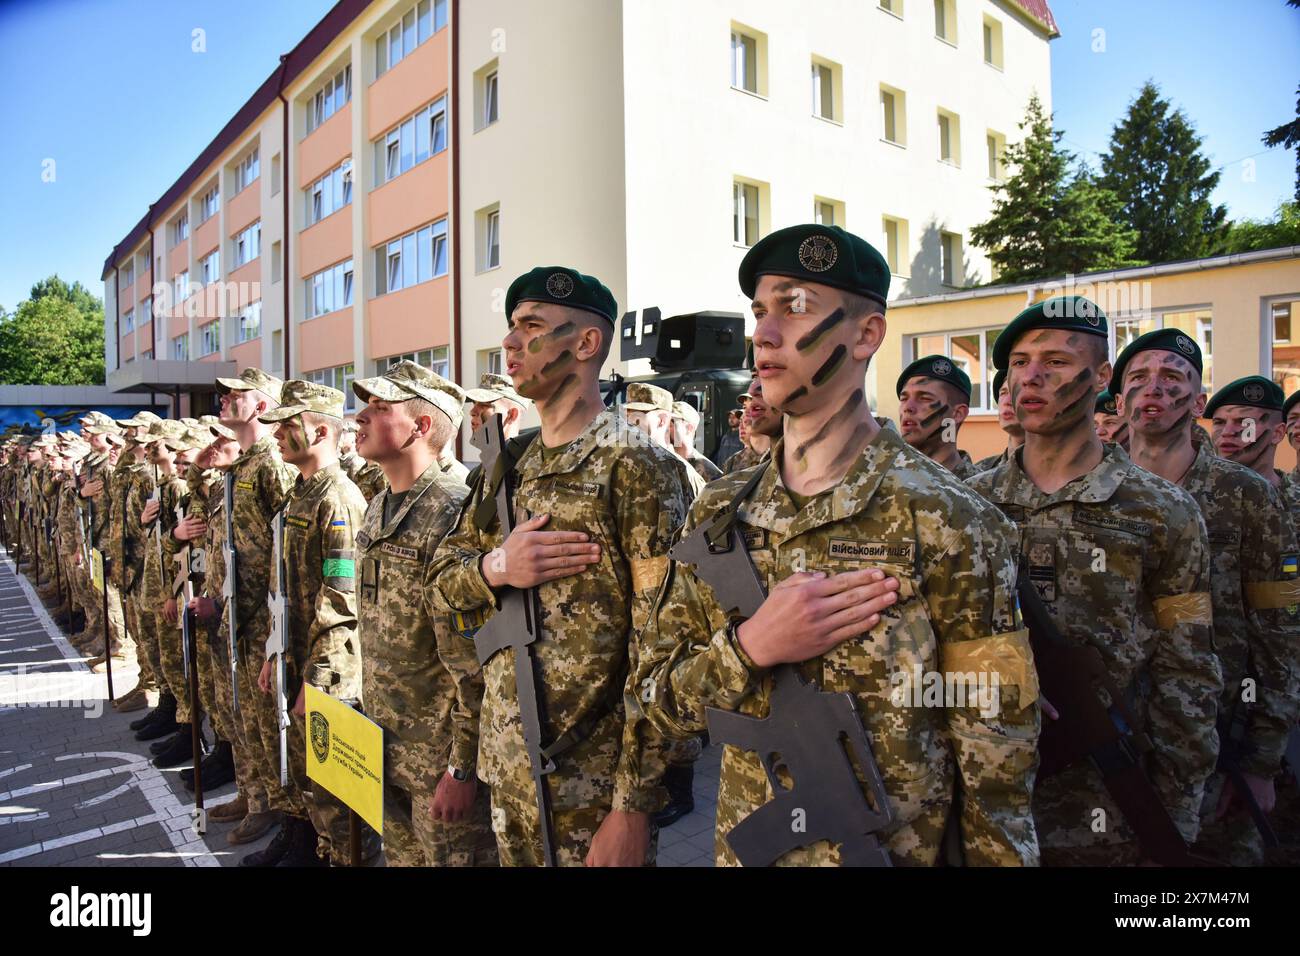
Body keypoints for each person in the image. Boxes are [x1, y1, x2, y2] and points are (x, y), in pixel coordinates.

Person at [638, 223, 1040, 866]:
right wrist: (751, 648)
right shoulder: (720, 512)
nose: (764, 334)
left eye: (795, 308)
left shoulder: (952, 519)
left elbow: (997, 753)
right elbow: (657, 701)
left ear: (866, 334)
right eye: (760, 312)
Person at [428, 266, 688, 866]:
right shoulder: (506, 468)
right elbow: (440, 581)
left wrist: (633, 804)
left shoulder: (637, 468)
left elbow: (665, 647)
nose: (512, 343)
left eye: (532, 327)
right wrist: (497, 566)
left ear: (585, 343)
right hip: (509, 763)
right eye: (511, 326)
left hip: (591, 785)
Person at [968, 295, 1221, 866]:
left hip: (1110, 804)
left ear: (1102, 376)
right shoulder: (968, 506)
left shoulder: (1163, 512)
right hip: (989, 801)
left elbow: (1188, 669)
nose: (1030, 377)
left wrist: (1176, 810)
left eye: (1055, 361)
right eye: (1019, 363)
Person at [1111, 329, 1300, 866]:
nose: (1154, 390)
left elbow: (1280, 624)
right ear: (1119, 398)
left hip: (1220, 740)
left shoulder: (1247, 495)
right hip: (1110, 733)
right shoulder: (1095, 489)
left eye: (1172, 378)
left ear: (1197, 402)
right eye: (1138, 379)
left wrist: (1263, 761)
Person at [351, 362, 497, 867]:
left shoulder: (455, 510)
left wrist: (463, 768)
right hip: (385, 743)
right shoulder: (378, 506)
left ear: (422, 426)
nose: (359, 418)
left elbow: (478, 661)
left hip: (439, 760)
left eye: (379, 408)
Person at [256, 380, 376, 866]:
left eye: (289, 426)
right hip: (298, 657)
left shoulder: (339, 499)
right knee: (311, 780)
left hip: (328, 671)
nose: (278, 436)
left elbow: (341, 597)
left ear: (323, 430)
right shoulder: (299, 495)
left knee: (339, 794)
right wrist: (275, 652)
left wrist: (317, 676)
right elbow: (282, 589)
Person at [210, 368, 300, 861]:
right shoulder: (241, 464)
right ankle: (253, 794)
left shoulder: (273, 465)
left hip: (265, 619)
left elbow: (285, 551)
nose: (224, 399)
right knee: (243, 715)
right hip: (235, 615)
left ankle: (277, 808)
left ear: (262, 406)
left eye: (236, 394)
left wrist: (275, 632)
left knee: (269, 722)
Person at [896, 355, 977, 478]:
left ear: (957, 414)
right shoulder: (884, 480)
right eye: (904, 398)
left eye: (924, 398)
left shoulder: (983, 489)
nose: (908, 407)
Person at [973, 368, 1024, 473]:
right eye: (1003, 393)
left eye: (1017, 392)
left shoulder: (1060, 472)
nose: (1007, 401)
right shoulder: (980, 472)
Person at [670, 401, 723, 485]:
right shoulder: (663, 463)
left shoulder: (710, 473)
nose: (666, 426)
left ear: (689, 428)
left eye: (672, 421)